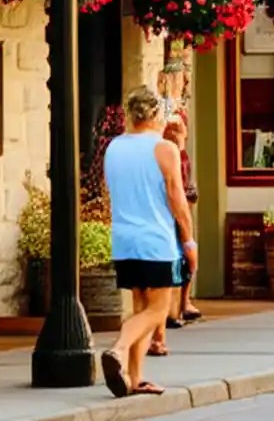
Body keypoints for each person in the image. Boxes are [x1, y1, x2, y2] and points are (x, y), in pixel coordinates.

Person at [100, 86, 198, 398]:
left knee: (141, 307)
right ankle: (118, 349)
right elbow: (177, 199)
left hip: (124, 240)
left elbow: (110, 192)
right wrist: (189, 241)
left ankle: (135, 377)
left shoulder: (114, 148)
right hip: (156, 240)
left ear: (130, 114)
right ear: (156, 114)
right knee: (159, 311)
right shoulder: (164, 149)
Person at [148, 112, 197, 357]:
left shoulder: (178, 154)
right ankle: (150, 336)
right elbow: (174, 190)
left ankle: (177, 311)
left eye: (179, 129)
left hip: (169, 216)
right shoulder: (165, 153)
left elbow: (184, 187)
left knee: (181, 264)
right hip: (166, 219)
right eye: (172, 129)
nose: (176, 133)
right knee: (170, 270)